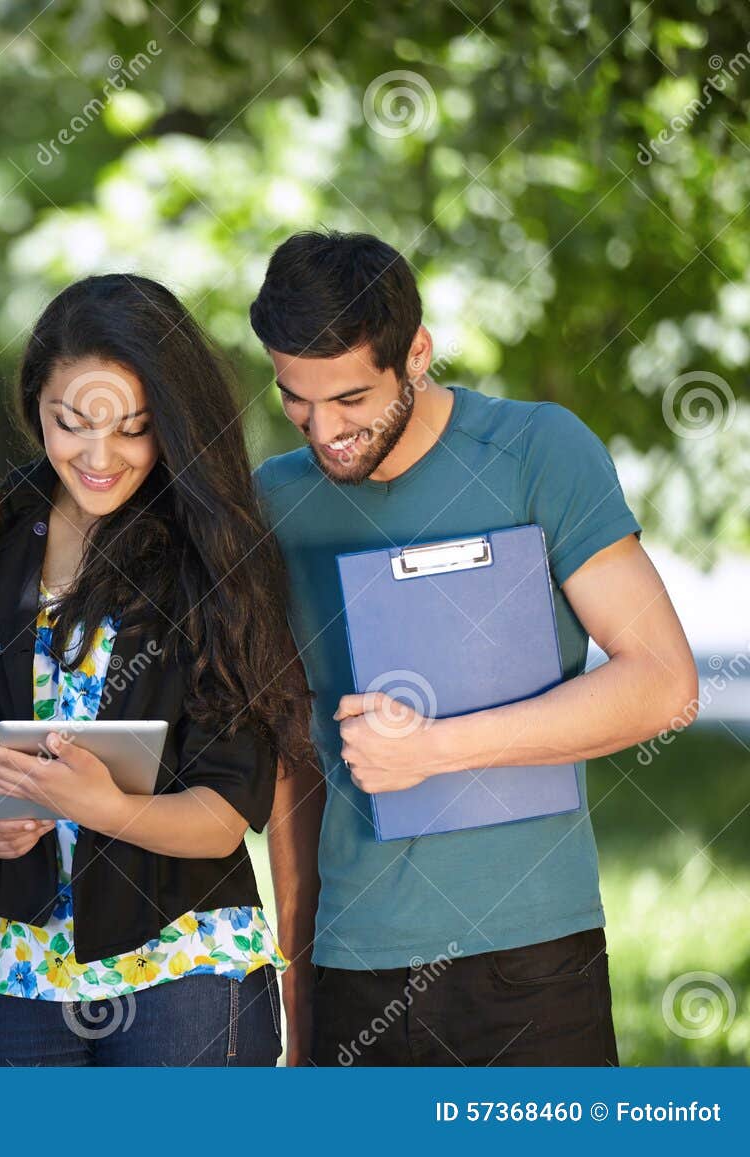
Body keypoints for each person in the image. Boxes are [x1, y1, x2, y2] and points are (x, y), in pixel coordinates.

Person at [250, 229, 698, 1066]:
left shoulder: (538, 453)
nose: (323, 430)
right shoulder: (276, 502)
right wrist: (298, 980)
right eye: (296, 401)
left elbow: (664, 683)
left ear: (416, 353)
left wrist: (433, 748)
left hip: (531, 958)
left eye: (350, 399)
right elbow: (294, 763)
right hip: (356, 963)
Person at [0, 274, 317, 1067]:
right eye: (71, 424)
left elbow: (226, 811)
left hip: (185, 968)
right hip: (24, 976)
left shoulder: (213, 556)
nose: (98, 456)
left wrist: (100, 805)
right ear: (34, 405)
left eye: (133, 429)